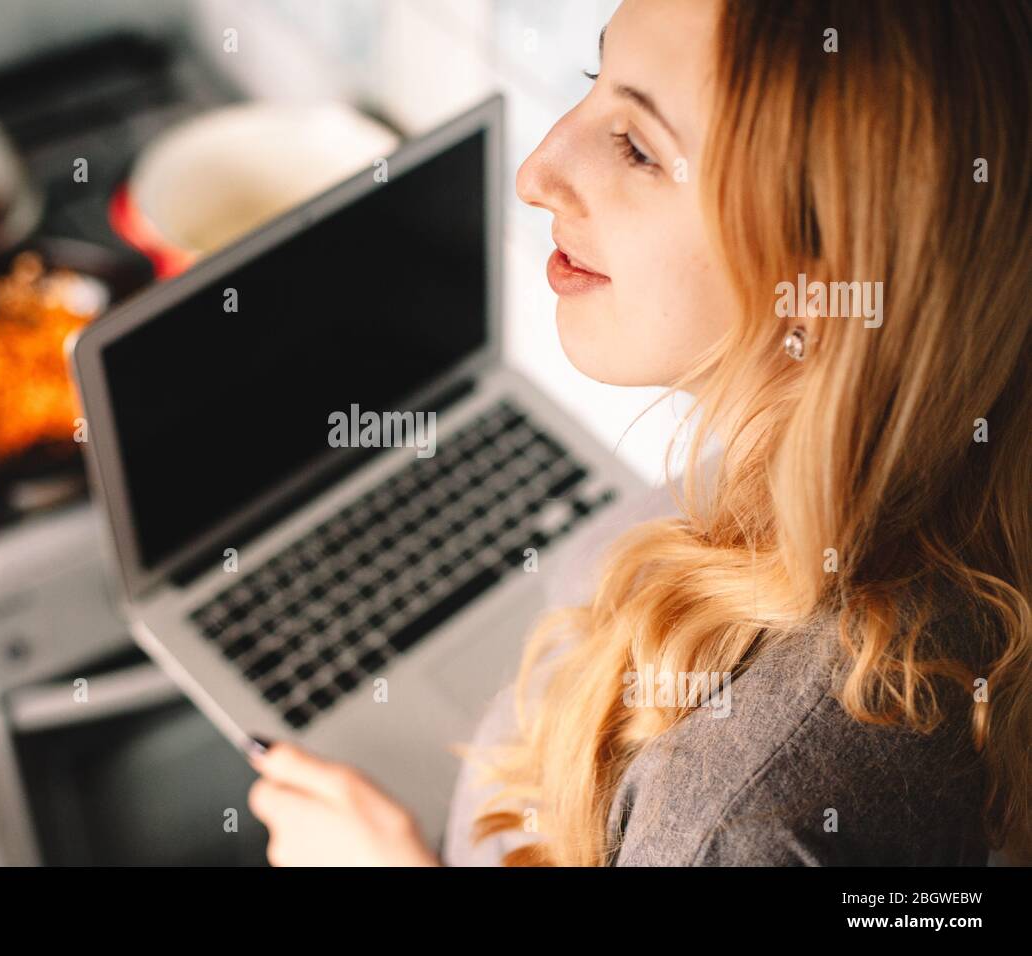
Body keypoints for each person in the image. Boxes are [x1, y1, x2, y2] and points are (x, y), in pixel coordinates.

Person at [246, 0, 1032, 866]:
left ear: (825, 283)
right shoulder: (928, 460)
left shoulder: (734, 822)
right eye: (595, 79)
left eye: (638, 149)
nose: (536, 173)